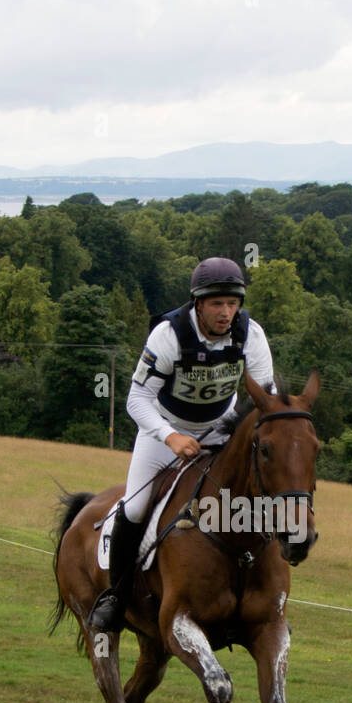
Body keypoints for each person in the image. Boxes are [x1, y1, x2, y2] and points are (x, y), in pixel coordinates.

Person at [87, 257, 276, 633]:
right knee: (137, 507)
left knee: (257, 492)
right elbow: (136, 399)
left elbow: (265, 397)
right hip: (165, 429)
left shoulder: (250, 334)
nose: (226, 313)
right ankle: (116, 595)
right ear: (198, 303)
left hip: (222, 428)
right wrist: (170, 437)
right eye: (217, 304)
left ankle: (266, 592)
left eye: (232, 303)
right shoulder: (168, 335)